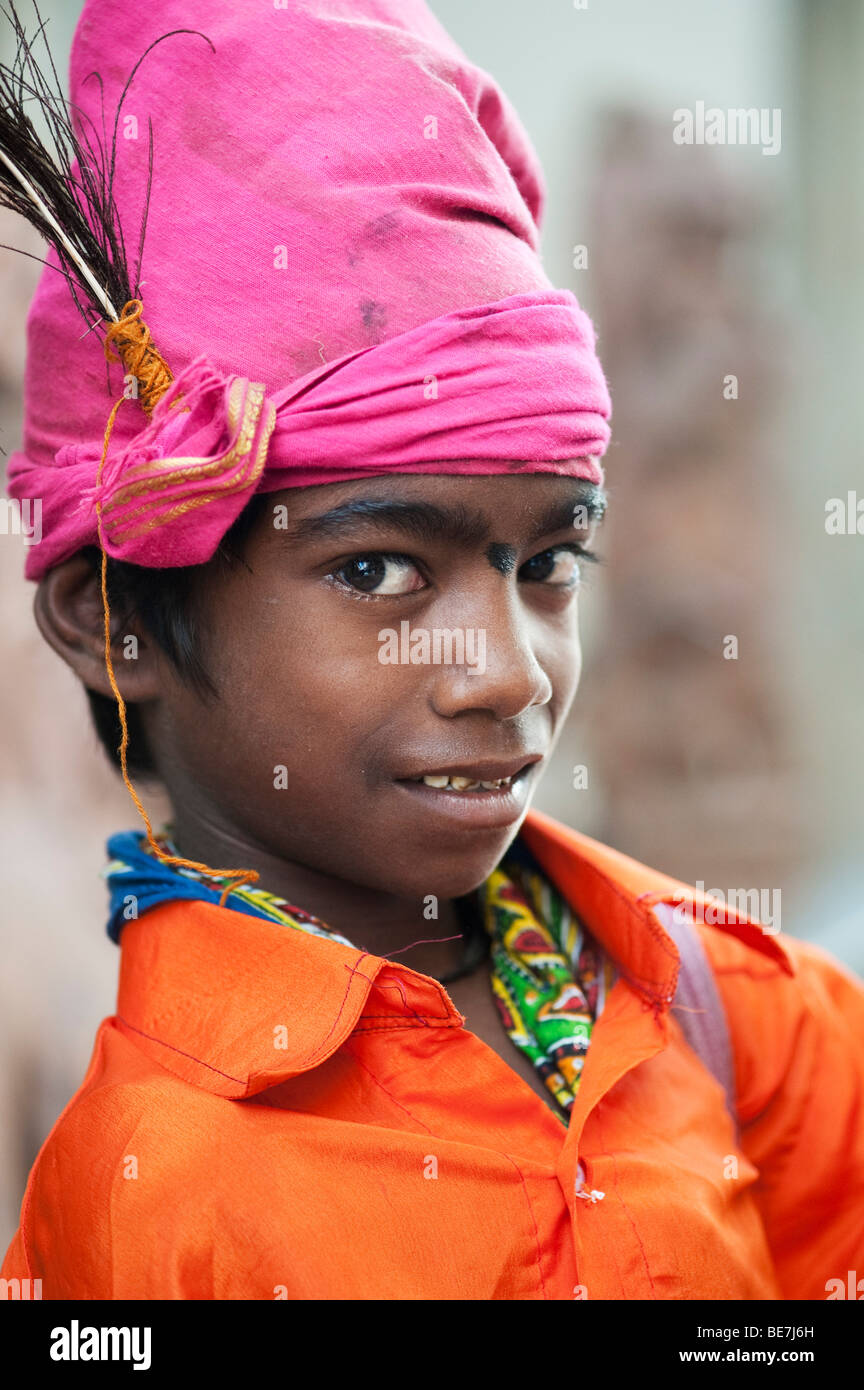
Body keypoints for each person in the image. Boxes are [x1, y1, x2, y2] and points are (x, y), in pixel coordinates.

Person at [2, 0, 863, 1301]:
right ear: (113, 618)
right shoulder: (145, 1202)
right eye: (379, 571)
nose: (510, 670)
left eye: (547, 565)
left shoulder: (731, 1009)